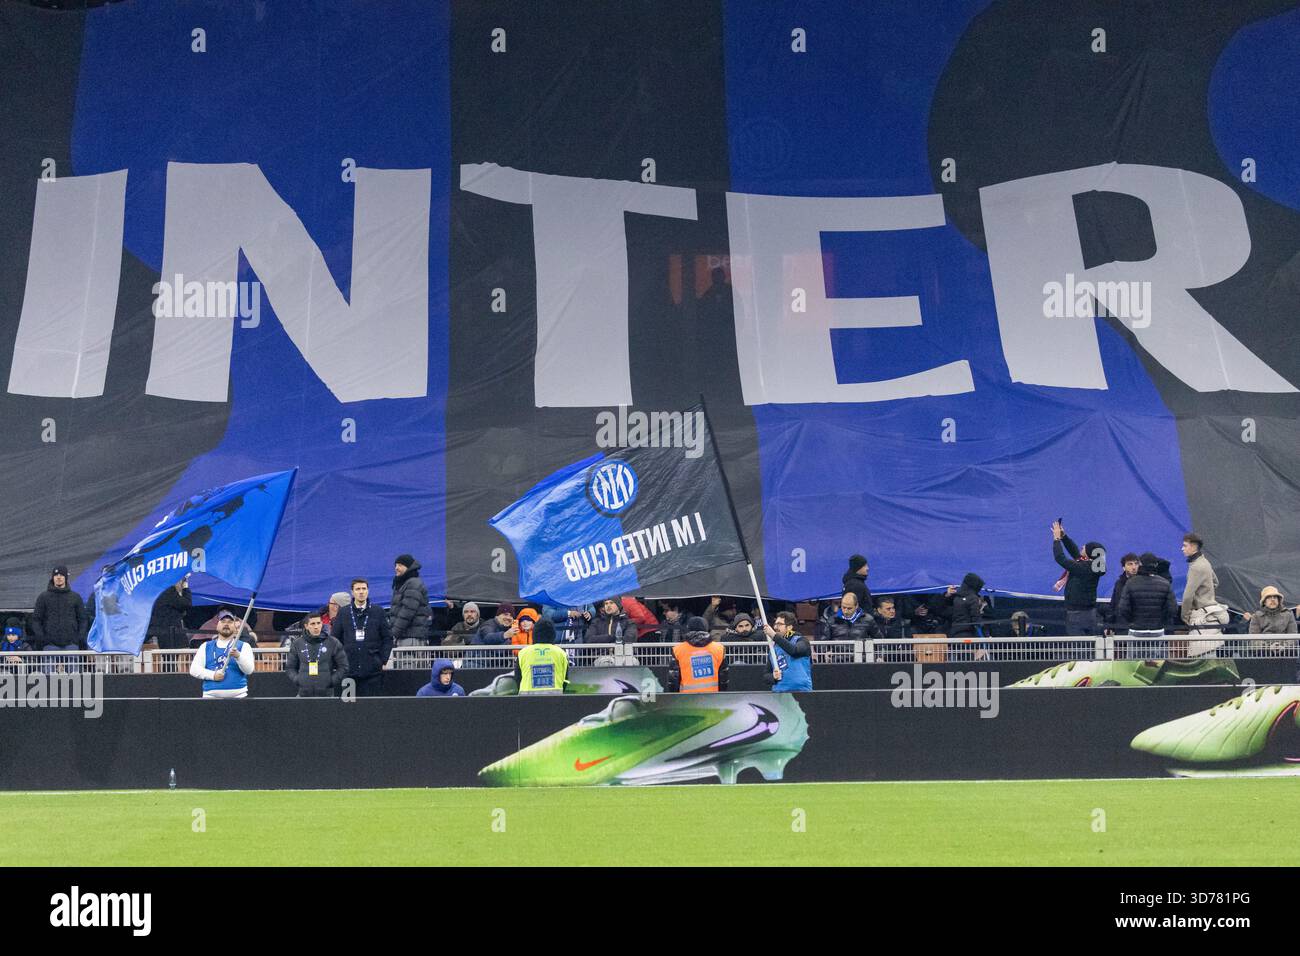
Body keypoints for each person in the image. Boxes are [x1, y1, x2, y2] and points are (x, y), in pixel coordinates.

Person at [331, 578, 393, 696]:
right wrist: (338, 662)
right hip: (349, 670)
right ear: (352, 592)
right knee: (348, 708)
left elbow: (387, 638)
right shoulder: (344, 612)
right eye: (358, 589)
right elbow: (335, 639)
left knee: (372, 708)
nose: (361, 592)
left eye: (364, 589)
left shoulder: (378, 611)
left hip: (372, 671)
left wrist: (382, 659)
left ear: (368, 591)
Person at [1115, 552, 1178, 658]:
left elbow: (1123, 608)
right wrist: (1160, 621)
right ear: (1156, 565)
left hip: (1136, 630)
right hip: (1157, 630)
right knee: (1157, 661)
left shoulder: (1131, 583)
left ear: (1141, 565)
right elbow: (1172, 609)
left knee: (1134, 663)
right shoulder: (1165, 583)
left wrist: (1133, 621)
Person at [1051, 521, 1105, 635]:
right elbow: (1075, 552)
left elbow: (1060, 558)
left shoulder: (1083, 568)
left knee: (1078, 647)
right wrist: (1064, 537)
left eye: (1085, 547)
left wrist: (1056, 539)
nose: (1082, 546)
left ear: (1090, 553)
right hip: (1090, 613)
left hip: (1076, 614)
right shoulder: (1092, 566)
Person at [189, 609, 256, 699]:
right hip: (210, 697)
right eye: (223, 621)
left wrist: (238, 656)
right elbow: (194, 669)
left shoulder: (244, 646)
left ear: (236, 628)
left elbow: (249, 670)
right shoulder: (205, 646)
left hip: (239, 697)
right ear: (217, 626)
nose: (226, 624)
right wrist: (213, 675)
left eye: (230, 622)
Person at [1180, 533, 1228, 656]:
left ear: (1193, 546)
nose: (1182, 548)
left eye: (1185, 546)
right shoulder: (1205, 562)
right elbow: (1215, 582)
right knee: (1210, 657)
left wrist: (1185, 616)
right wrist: (1206, 594)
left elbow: (1187, 596)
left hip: (1200, 617)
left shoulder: (1196, 567)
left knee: (1202, 657)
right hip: (1211, 614)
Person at [284, 609, 350, 698]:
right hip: (304, 694)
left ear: (322, 624)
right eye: (313, 624)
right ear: (306, 626)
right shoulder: (297, 643)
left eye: (318, 623)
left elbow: (344, 667)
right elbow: (290, 668)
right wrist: (299, 680)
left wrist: (330, 681)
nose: (316, 627)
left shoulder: (333, 642)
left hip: (327, 694)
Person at [31, 565, 87, 653]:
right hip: (49, 645)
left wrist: (78, 637)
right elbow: (36, 620)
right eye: (56, 575)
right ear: (53, 577)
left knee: (73, 667)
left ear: (66, 577)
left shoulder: (75, 597)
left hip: (71, 644)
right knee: (48, 667)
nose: (59, 577)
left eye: (61, 575)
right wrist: (42, 638)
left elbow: (83, 619)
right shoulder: (43, 597)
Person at [666, 616, 728, 693]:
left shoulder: (678, 650)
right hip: (712, 698)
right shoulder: (719, 649)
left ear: (688, 629)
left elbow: (673, 679)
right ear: (706, 628)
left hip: (686, 699)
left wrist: (674, 696)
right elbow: (723, 679)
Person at [512, 618, 570, 694]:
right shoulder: (561, 653)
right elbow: (565, 678)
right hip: (554, 699)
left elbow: (518, 677)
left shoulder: (523, 652)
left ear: (534, 633)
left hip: (526, 700)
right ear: (553, 634)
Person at [764, 610, 812, 692]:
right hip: (779, 692)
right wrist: (773, 677)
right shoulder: (773, 648)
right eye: (775, 624)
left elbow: (794, 651)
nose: (775, 627)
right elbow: (766, 675)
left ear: (789, 627)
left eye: (779, 624)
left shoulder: (802, 640)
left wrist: (774, 636)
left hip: (801, 691)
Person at [390, 554, 431, 646]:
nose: (396, 568)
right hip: (406, 636)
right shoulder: (404, 583)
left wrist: (393, 634)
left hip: (411, 638)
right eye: (395, 565)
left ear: (408, 567)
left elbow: (407, 612)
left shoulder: (413, 583)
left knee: (409, 661)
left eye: (400, 565)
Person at [147, 576, 192, 649]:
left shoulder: (157, 590)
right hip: (170, 637)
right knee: (175, 658)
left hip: (162, 633)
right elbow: (187, 603)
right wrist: (185, 587)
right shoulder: (169, 590)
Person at [1103, 553, 1141, 635]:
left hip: (1139, 627)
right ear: (1123, 567)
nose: (1134, 567)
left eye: (1136, 564)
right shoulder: (1119, 583)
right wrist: (1109, 626)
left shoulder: (1143, 583)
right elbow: (1113, 605)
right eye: (1130, 564)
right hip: (1122, 626)